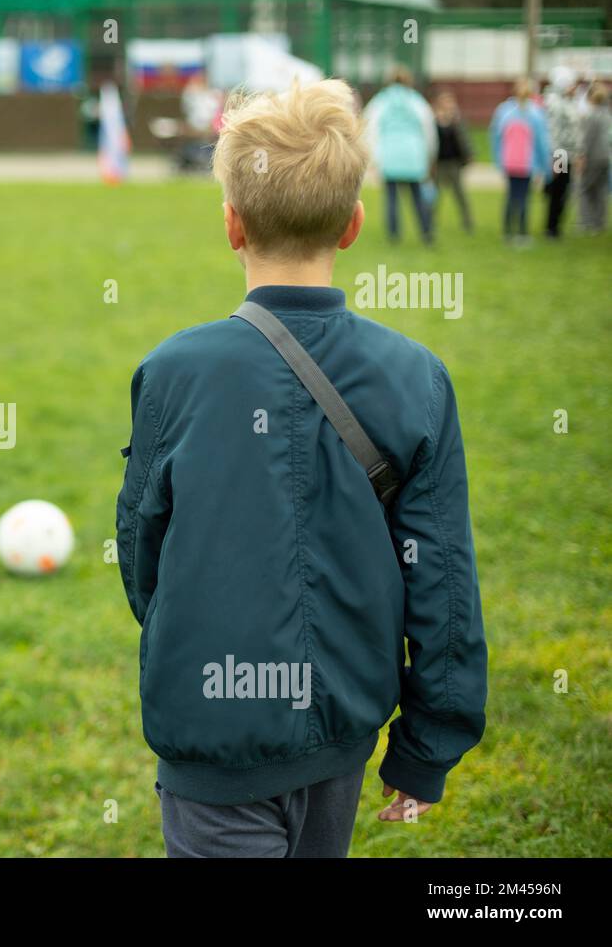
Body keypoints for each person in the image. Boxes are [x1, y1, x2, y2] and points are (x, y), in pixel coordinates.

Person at [115, 79, 487, 858]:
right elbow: (443, 580)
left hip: (210, 727)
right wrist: (428, 745)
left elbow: (140, 552)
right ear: (353, 225)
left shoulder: (174, 371)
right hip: (341, 721)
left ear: (231, 223)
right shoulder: (415, 375)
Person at [363, 65, 437, 244]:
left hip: (389, 155)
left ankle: (394, 235)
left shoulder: (380, 101)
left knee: (391, 198)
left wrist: (374, 158)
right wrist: (429, 156)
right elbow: (429, 130)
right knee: (418, 196)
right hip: (413, 155)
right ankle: (426, 232)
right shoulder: (416, 101)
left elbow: (370, 129)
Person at [489, 78, 550, 247]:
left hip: (509, 162)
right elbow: (542, 142)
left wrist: (498, 159)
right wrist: (546, 165)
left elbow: (495, 136)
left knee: (510, 196)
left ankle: (508, 232)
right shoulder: (536, 113)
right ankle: (522, 234)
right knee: (523, 198)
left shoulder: (504, 110)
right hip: (526, 163)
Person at [542, 66, 582, 238]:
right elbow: (554, 132)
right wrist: (556, 158)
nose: (575, 87)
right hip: (561, 154)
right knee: (558, 191)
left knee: (563, 190)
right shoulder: (555, 103)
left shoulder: (568, 101)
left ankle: (555, 225)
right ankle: (552, 228)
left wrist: (578, 153)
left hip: (568, 153)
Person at [432, 90, 474, 232]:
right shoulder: (433, 120)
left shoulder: (457, 121)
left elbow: (465, 140)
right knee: (434, 196)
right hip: (439, 164)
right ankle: (431, 223)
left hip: (454, 163)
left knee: (460, 195)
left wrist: (468, 155)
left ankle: (467, 222)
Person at [576, 83, 609, 233]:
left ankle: (585, 222)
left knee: (584, 188)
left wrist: (581, 156)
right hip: (606, 157)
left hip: (592, 157)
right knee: (600, 190)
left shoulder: (590, 116)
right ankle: (599, 222)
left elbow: (586, 139)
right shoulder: (607, 115)